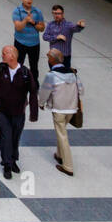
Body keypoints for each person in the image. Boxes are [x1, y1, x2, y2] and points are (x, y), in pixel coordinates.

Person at [0, 44, 38, 179]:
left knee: (15, 137)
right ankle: (7, 164)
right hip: (2, 110)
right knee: (6, 136)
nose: (2, 55)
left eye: (4, 53)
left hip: (18, 111)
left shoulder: (25, 73)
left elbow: (33, 92)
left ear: (12, 56)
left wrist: (33, 113)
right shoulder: (0, 68)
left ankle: (13, 159)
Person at [39, 48, 80, 177]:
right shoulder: (72, 73)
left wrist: (41, 103)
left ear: (52, 60)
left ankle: (68, 166)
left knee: (62, 136)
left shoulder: (51, 75)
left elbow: (44, 92)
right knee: (62, 131)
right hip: (72, 109)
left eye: (48, 57)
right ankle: (59, 155)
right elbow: (81, 90)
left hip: (59, 110)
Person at [12, 0, 46, 83]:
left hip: (34, 44)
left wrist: (33, 22)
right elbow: (18, 27)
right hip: (20, 43)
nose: (29, 1)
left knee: (34, 66)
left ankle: (34, 85)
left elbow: (42, 28)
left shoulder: (37, 12)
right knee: (18, 64)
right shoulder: (17, 11)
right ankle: (17, 83)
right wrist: (25, 20)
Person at [43, 4, 86, 71]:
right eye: (54, 13)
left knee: (65, 77)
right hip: (53, 58)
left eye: (58, 13)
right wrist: (56, 37)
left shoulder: (68, 25)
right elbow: (45, 36)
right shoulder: (50, 24)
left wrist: (80, 26)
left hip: (65, 57)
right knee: (54, 77)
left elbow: (76, 28)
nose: (56, 15)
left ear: (63, 14)